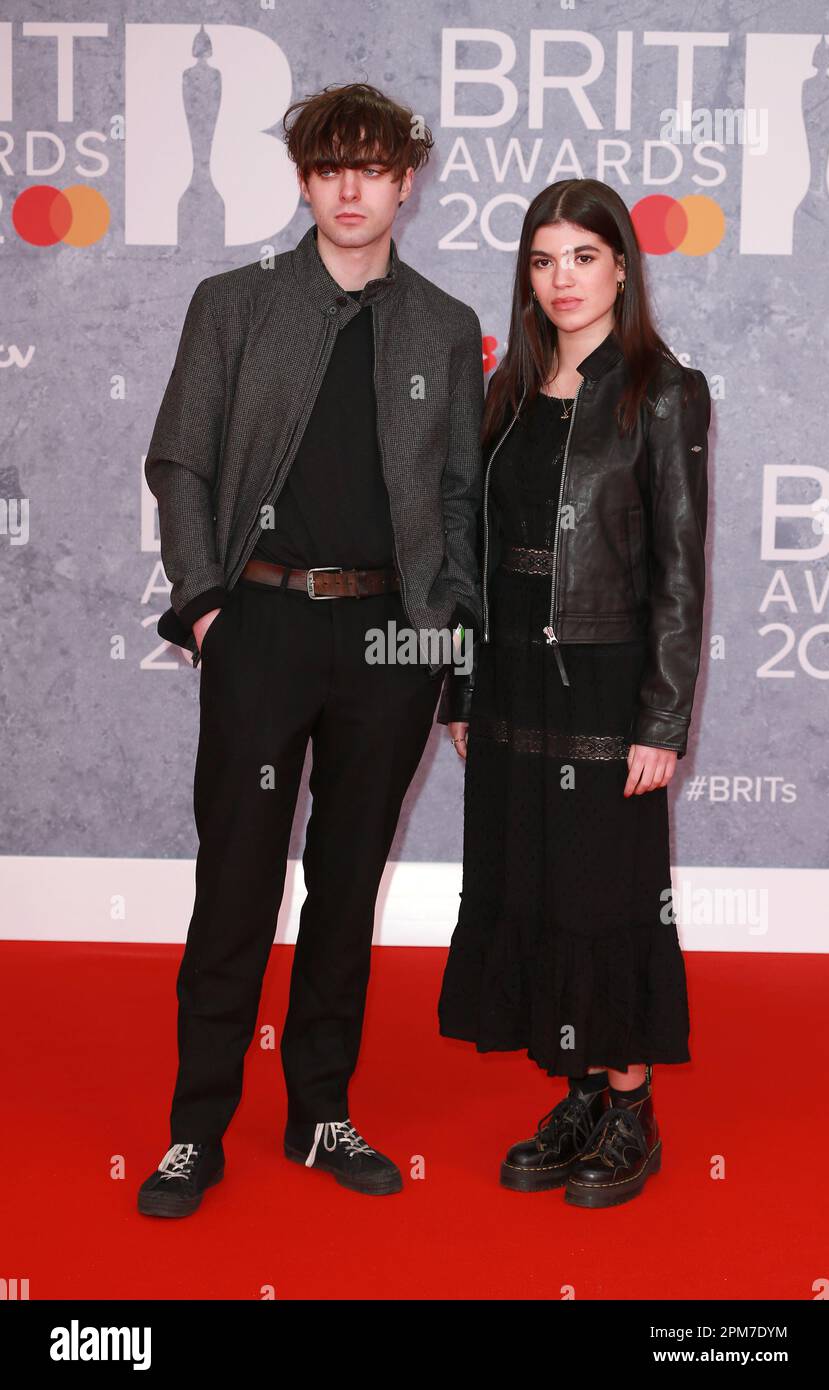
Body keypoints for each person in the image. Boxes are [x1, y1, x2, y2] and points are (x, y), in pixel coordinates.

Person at [138, 82, 483, 1216]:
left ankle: (320, 1114)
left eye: (370, 167)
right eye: (328, 165)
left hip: (391, 638)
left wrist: (448, 653)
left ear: (404, 182)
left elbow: (458, 500)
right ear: (301, 181)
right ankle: (196, 1129)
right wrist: (204, 605)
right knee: (234, 879)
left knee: (346, 887)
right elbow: (180, 460)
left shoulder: (440, 322)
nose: (349, 186)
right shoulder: (235, 303)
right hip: (264, 623)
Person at [437, 177, 711, 1209]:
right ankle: (581, 1091)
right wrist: (459, 687)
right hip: (510, 682)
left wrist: (662, 718)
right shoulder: (503, 389)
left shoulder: (663, 391)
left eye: (583, 258)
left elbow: (680, 571)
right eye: (543, 260)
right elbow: (469, 554)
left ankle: (631, 1105)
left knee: (603, 891)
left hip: (603, 682)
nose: (562, 279)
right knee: (534, 883)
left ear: (620, 268)